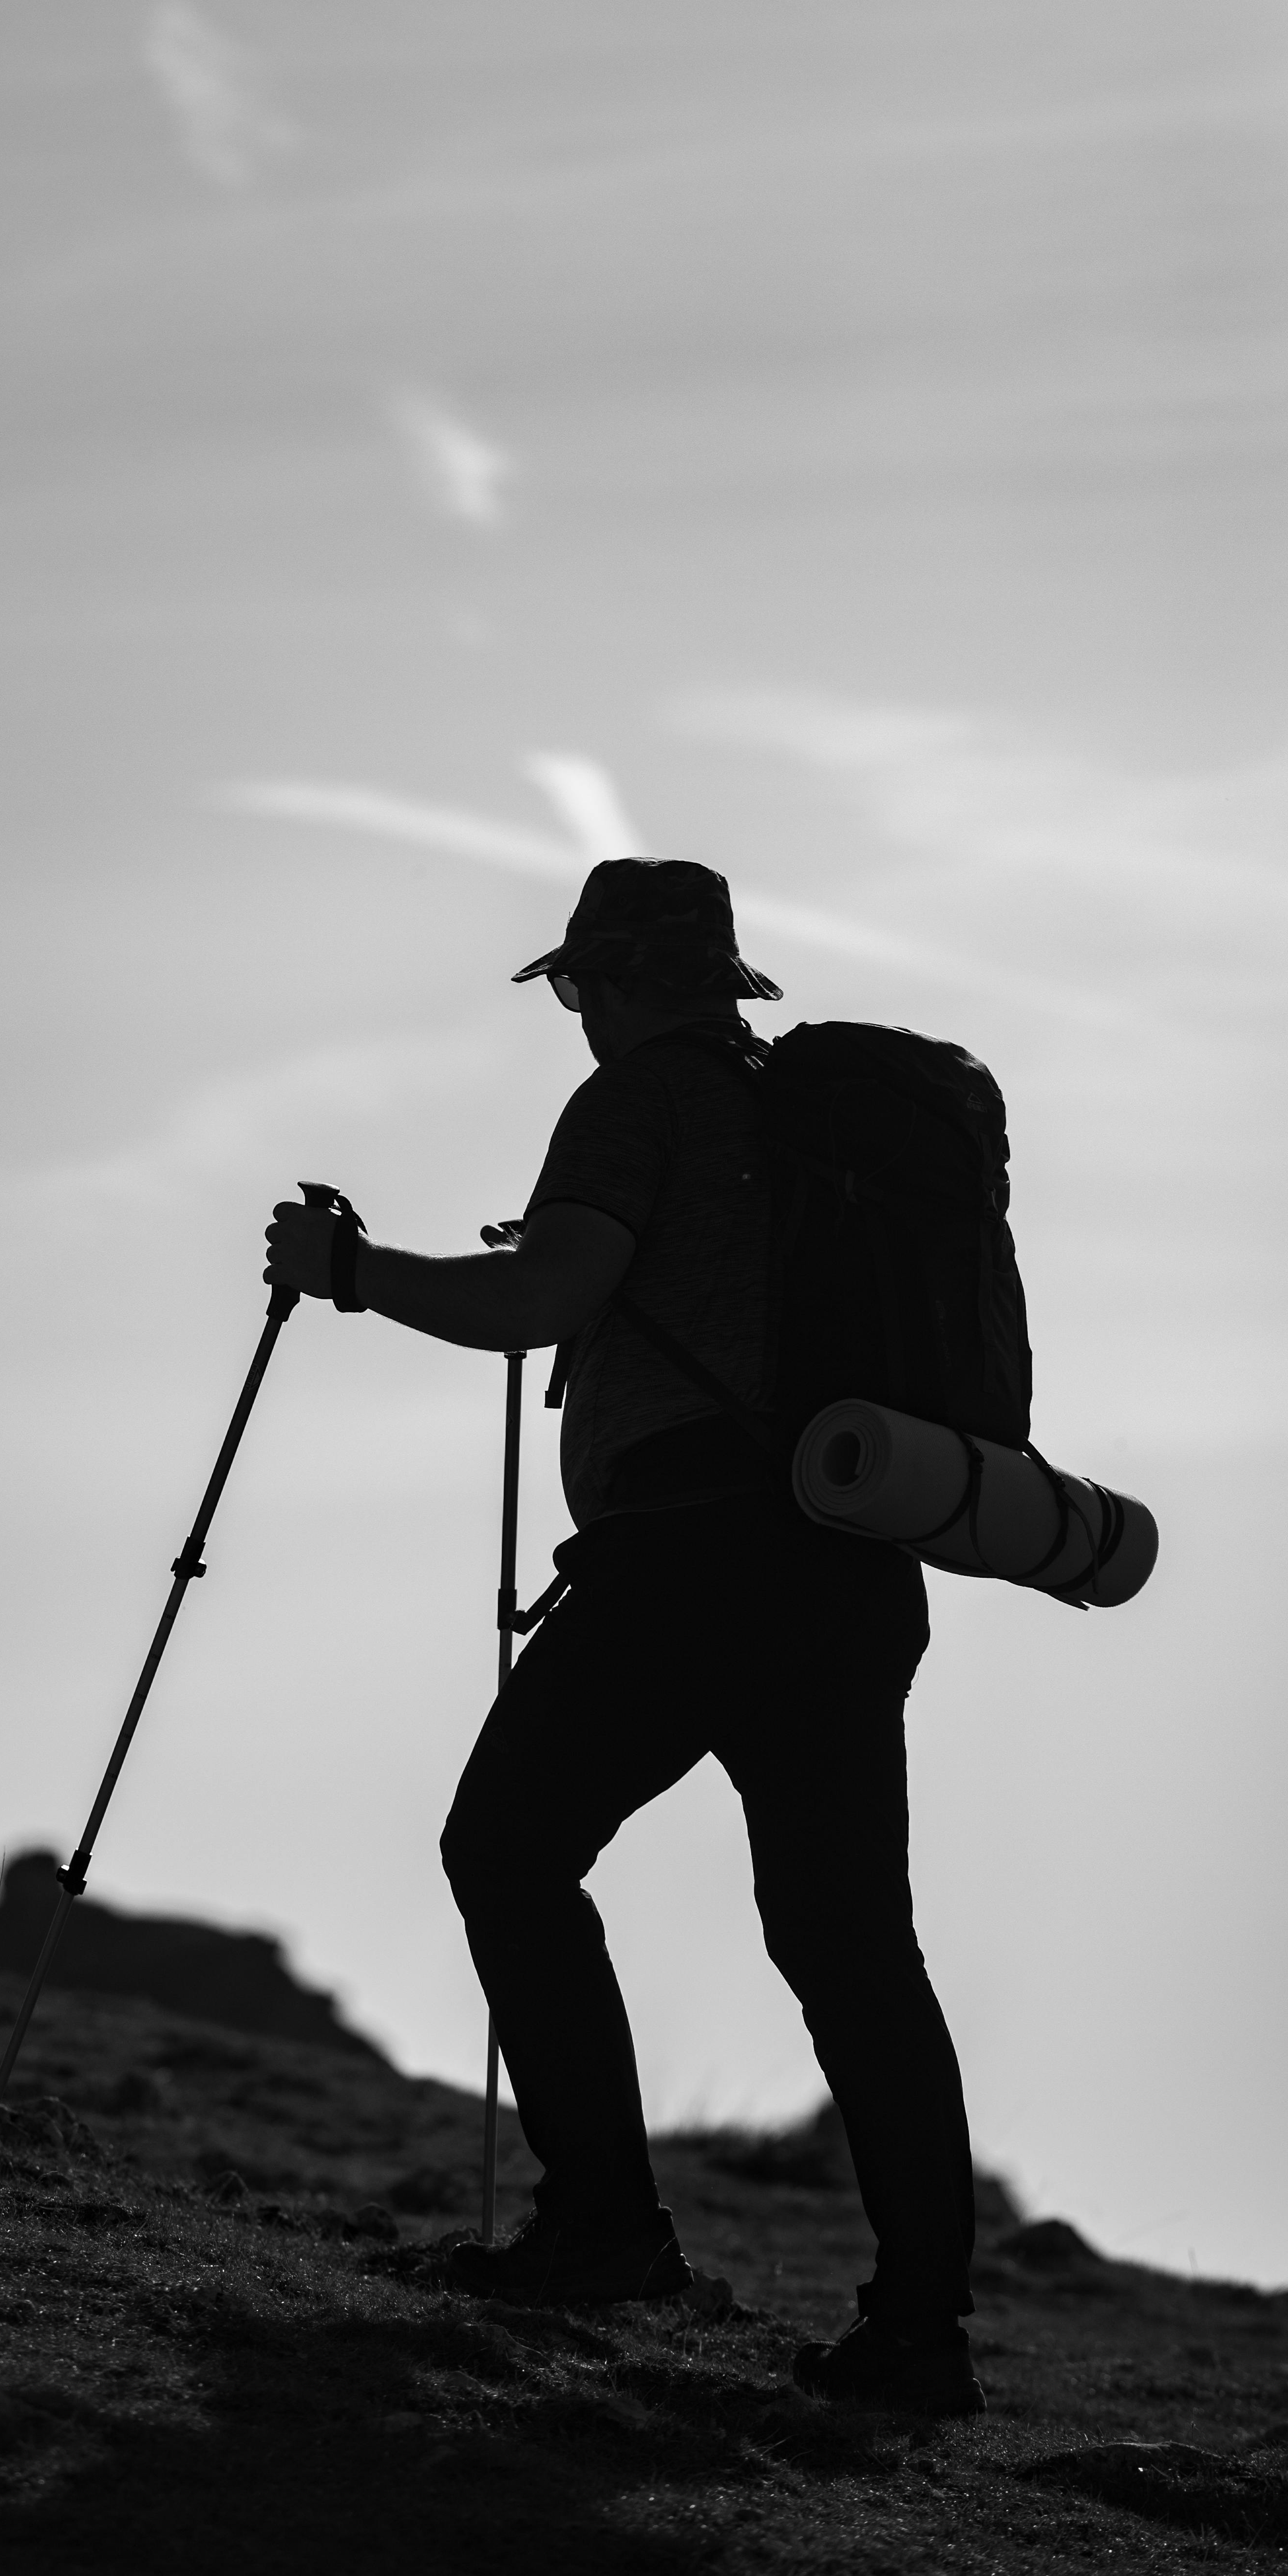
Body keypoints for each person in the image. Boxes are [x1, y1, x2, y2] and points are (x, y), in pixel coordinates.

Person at [264, 857, 985, 2418]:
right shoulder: (807, 1129)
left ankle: (603, 2230)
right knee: (853, 1945)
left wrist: (354, 1277)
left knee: (507, 1851)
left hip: (690, 1557)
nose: (576, 1019)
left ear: (623, 981)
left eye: (578, 989)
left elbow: (543, 1296)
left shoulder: (642, 1105)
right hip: (851, 1555)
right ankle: (923, 2334)